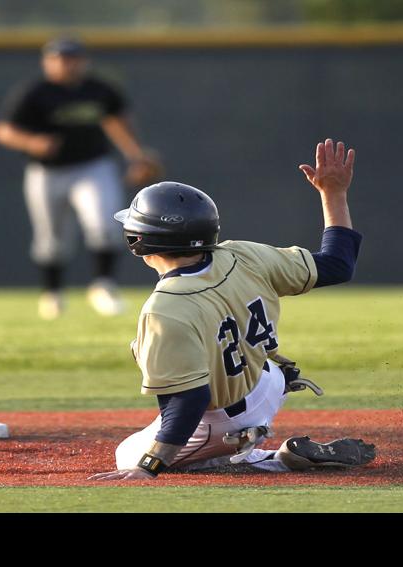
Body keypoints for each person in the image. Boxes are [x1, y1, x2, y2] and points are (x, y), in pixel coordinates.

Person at [90, 139, 376, 481]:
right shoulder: (243, 255)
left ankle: (269, 455)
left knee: (128, 455)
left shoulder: (164, 308)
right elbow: (337, 265)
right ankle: (249, 442)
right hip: (267, 382)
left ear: (138, 240)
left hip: (223, 418)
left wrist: (149, 467)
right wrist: (333, 195)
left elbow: (188, 403)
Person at [0, 37, 162, 321]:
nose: (66, 64)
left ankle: (103, 286)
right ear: (47, 62)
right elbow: (3, 130)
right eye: (58, 58)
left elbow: (116, 121)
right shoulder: (35, 92)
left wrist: (136, 155)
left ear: (83, 61)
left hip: (92, 166)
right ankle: (52, 293)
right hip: (46, 171)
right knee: (51, 238)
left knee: (105, 223)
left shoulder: (98, 89)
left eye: (71, 58)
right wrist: (32, 142)